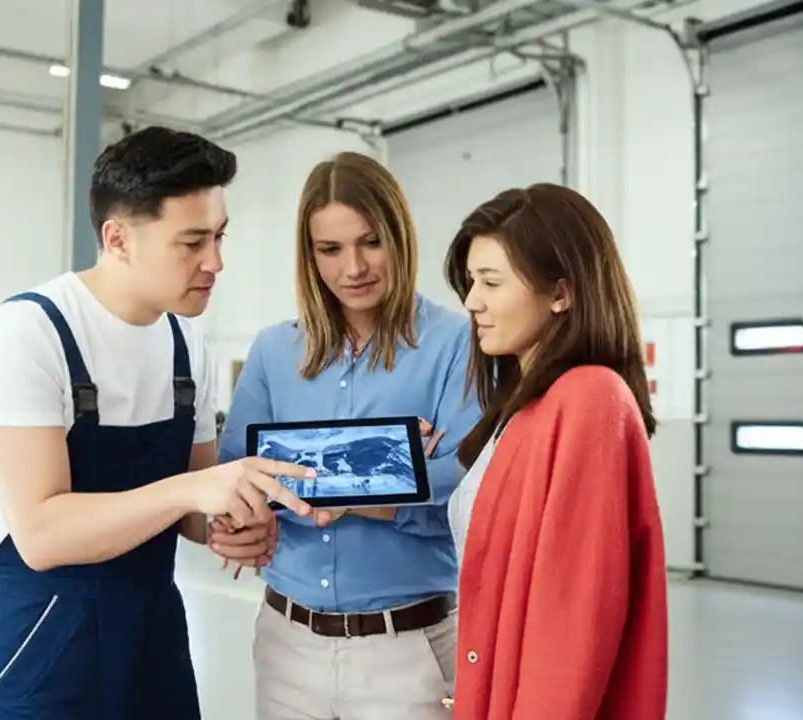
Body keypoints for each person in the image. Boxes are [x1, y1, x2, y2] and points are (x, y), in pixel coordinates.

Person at [0, 126, 315, 720]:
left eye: (220, 237)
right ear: (117, 238)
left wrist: (232, 526)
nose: (216, 262)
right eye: (192, 242)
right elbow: (42, 534)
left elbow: (195, 510)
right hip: (41, 647)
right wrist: (192, 491)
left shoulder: (186, 346)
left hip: (153, 640)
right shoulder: (28, 334)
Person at [216, 151, 481, 719]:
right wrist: (385, 461)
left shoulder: (457, 344)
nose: (352, 268)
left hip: (409, 652)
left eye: (370, 242)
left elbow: (465, 494)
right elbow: (238, 477)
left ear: (399, 238)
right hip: (287, 645)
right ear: (308, 255)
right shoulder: (273, 351)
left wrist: (310, 472)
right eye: (329, 249)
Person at [442, 184, 668, 719]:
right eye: (472, 281)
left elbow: (573, 623)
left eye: (492, 282)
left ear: (561, 293)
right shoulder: (525, 407)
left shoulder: (588, 399)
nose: (473, 301)